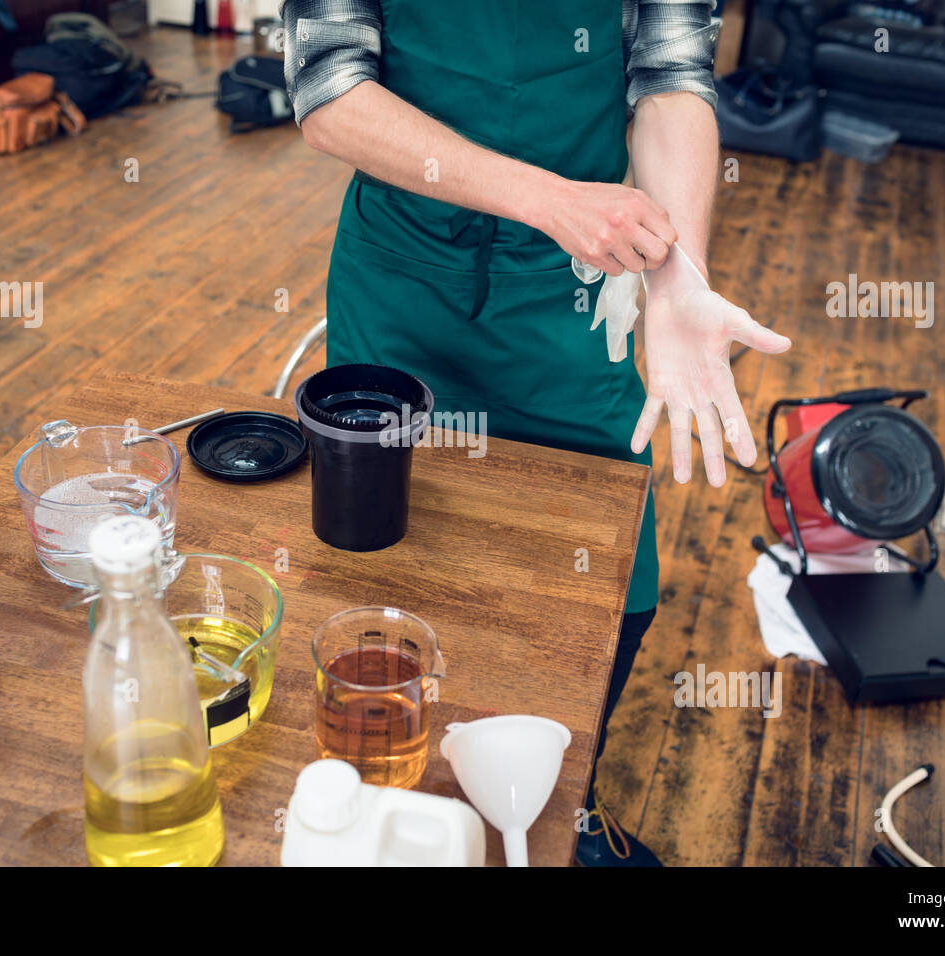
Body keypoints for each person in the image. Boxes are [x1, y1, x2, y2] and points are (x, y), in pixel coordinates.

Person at [279, 0, 791, 865]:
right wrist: (548, 199)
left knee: (611, 583)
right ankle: (386, 791)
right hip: (403, 281)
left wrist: (678, 278)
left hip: (573, 297)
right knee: (389, 551)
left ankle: (564, 800)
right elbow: (330, 90)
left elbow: (671, 77)